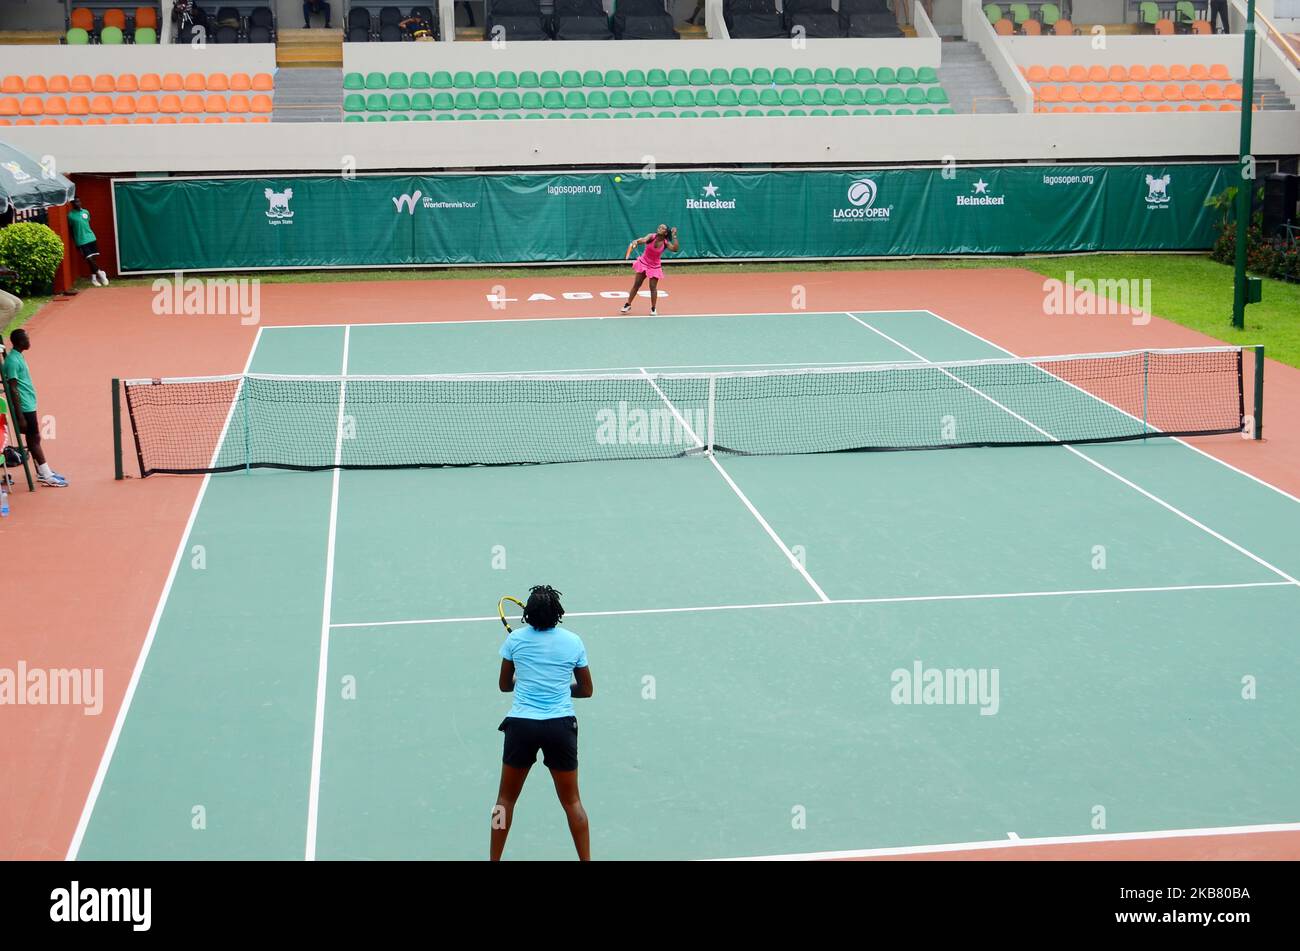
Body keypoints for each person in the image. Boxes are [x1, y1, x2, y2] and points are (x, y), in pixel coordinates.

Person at [492, 585, 593, 861]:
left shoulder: (515, 642)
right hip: (560, 727)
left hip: (522, 727)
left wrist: (526, 681)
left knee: (505, 802)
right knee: (572, 802)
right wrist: (558, 687)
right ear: (557, 614)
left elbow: (504, 686)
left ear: (528, 614)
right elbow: (586, 689)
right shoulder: (573, 641)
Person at [2, 330, 67, 487]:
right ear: (19, 342)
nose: (29, 341)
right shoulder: (12, 362)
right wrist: (20, 416)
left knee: (34, 438)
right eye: (26, 339)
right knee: (34, 439)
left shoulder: (17, 356)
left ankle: (41, 472)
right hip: (24, 407)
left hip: (28, 404)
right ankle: (46, 474)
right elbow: (13, 389)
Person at [621, 224, 679, 317]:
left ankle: (653, 308)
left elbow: (675, 249)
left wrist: (674, 236)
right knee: (637, 284)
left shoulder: (665, 243)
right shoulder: (651, 236)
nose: (660, 228)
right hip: (643, 263)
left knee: (653, 288)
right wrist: (636, 241)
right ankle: (628, 304)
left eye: (663, 228)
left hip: (654, 266)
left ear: (666, 232)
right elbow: (643, 239)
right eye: (659, 227)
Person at [67, 199, 108, 287]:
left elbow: (87, 224)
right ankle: (101, 273)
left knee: (92, 260)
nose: (77, 203)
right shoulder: (70, 216)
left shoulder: (86, 212)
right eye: (75, 202)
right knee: (89, 259)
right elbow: (71, 231)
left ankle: (94, 279)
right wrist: (76, 243)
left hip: (91, 237)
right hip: (81, 240)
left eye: (78, 201)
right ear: (72, 204)